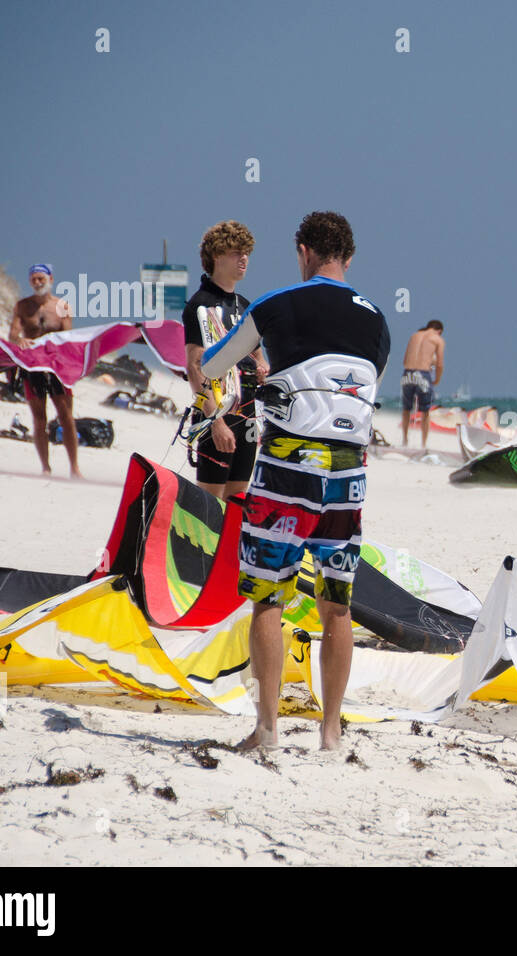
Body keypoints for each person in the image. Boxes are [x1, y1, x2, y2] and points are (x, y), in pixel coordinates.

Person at [200, 211, 390, 752]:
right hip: (349, 473)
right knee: (338, 605)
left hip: (288, 466)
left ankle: (266, 731)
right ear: (348, 258)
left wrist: (259, 368)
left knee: (268, 599)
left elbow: (214, 365)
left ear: (303, 250)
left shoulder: (275, 303)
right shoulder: (378, 318)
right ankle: (331, 733)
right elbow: (357, 383)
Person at [181, 221, 268, 499]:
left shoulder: (245, 305)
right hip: (215, 413)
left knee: (237, 501)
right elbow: (194, 367)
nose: (244, 258)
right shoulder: (199, 305)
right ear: (217, 256)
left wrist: (263, 366)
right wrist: (215, 422)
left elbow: (256, 352)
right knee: (210, 500)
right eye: (236, 252)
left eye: (247, 252)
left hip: (247, 416)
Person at [8, 264, 81, 477]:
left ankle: (74, 468)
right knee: (39, 419)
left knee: (66, 416)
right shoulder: (22, 306)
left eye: (41, 278)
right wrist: (19, 340)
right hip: (33, 367)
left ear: (50, 279)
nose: (38, 283)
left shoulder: (62, 306)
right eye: (34, 279)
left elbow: (68, 336)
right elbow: (13, 334)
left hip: (57, 366)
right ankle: (46, 468)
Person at [399, 320, 444, 447]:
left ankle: (405, 440)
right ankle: (423, 444)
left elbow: (405, 360)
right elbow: (440, 364)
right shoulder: (437, 339)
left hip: (407, 373)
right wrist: (436, 380)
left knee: (406, 409)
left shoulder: (414, 335)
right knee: (425, 411)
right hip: (423, 374)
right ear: (439, 331)